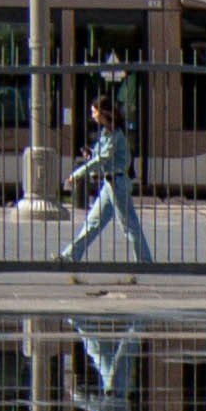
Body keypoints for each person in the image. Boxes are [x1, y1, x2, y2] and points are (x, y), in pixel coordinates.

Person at [62, 76, 150, 271]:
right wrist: (90, 154)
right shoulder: (107, 132)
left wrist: (78, 173)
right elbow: (101, 156)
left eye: (94, 111)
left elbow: (102, 159)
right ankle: (69, 256)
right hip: (110, 184)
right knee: (92, 223)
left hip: (117, 184)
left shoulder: (114, 133)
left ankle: (145, 263)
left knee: (129, 226)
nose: (91, 114)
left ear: (102, 113)